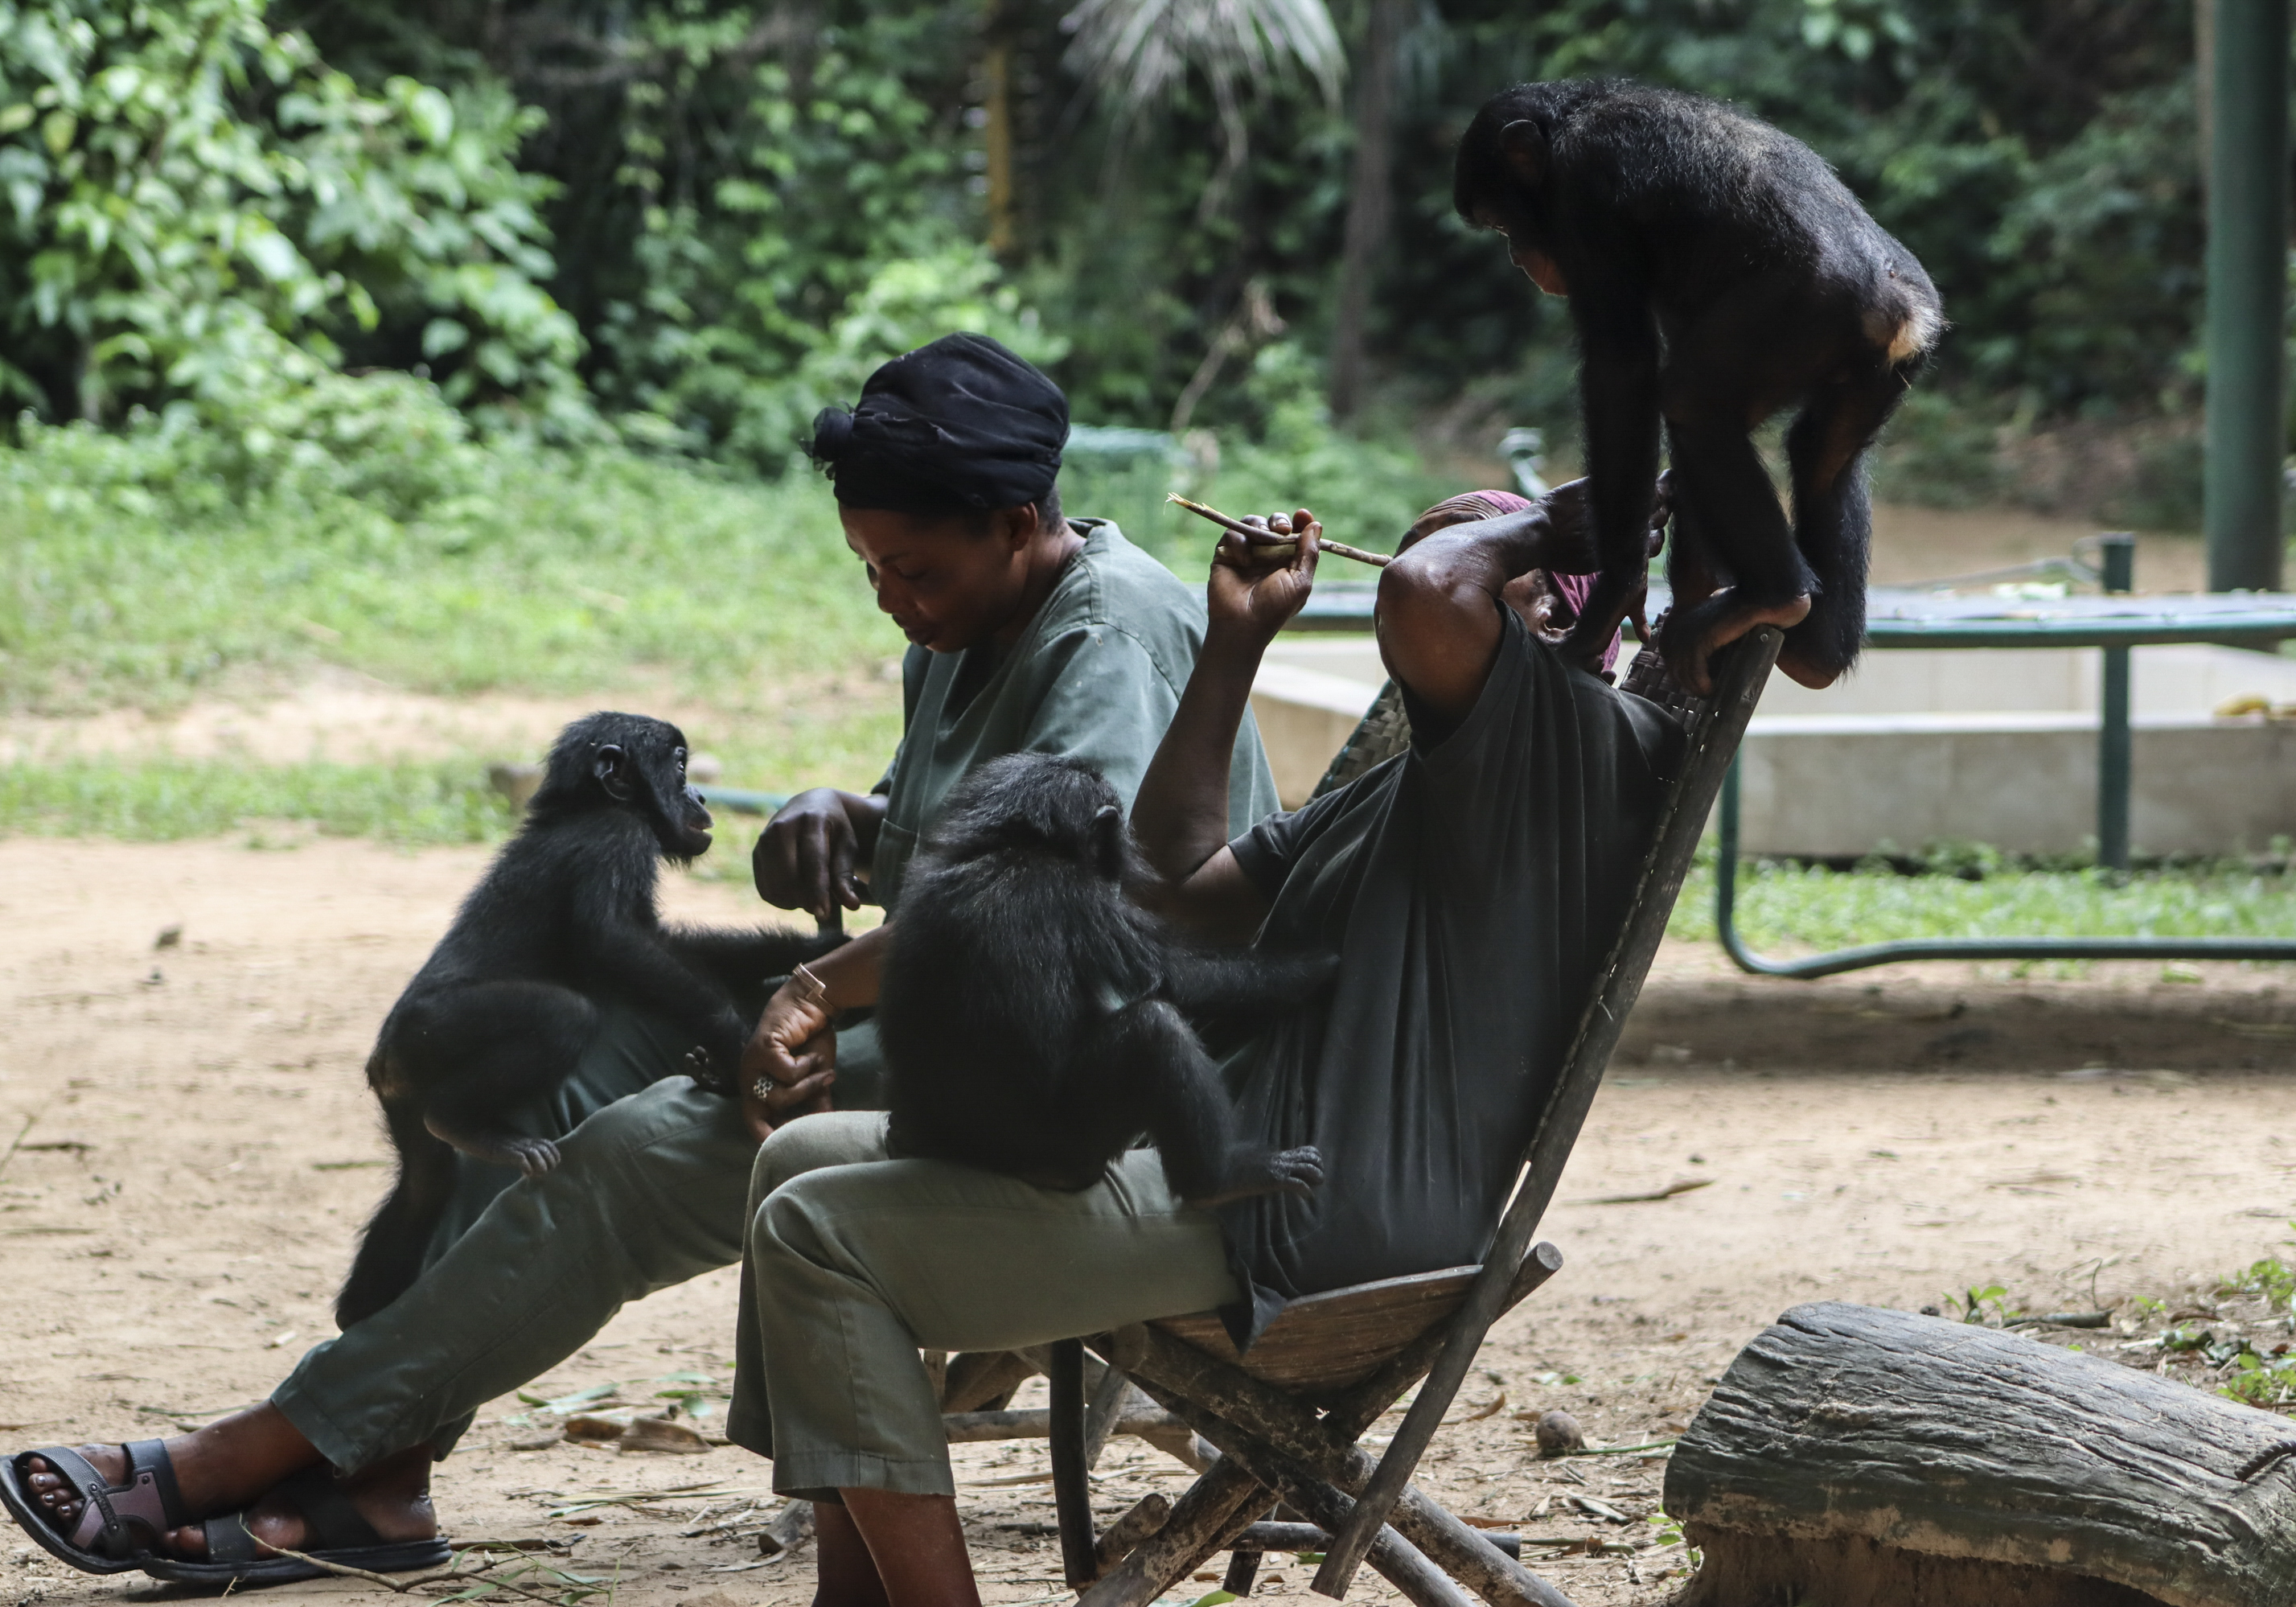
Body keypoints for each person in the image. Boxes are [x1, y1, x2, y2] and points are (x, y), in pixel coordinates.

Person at [0, 333, 1281, 1583]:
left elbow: (1041, 909)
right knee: (540, 1074)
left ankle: (277, 1442)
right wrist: (848, 811)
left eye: (914, 571)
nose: (892, 599)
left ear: (1017, 523)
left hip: (1068, 1079)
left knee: (632, 1151)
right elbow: (956, 832)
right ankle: (380, 1472)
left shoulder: (1107, 634)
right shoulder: (968, 623)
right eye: (872, 571)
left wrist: (810, 988)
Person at [716, 482, 1683, 1605]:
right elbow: (1173, 889)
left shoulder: (1562, 746)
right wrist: (1233, 643)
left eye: (1474, 567)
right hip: (1239, 1164)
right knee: (797, 1160)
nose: (1403, 612)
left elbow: (1427, 591)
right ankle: (859, 1592)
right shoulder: (1418, 783)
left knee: (815, 1232)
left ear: (1552, 610)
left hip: (1314, 1218)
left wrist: (1574, 526)